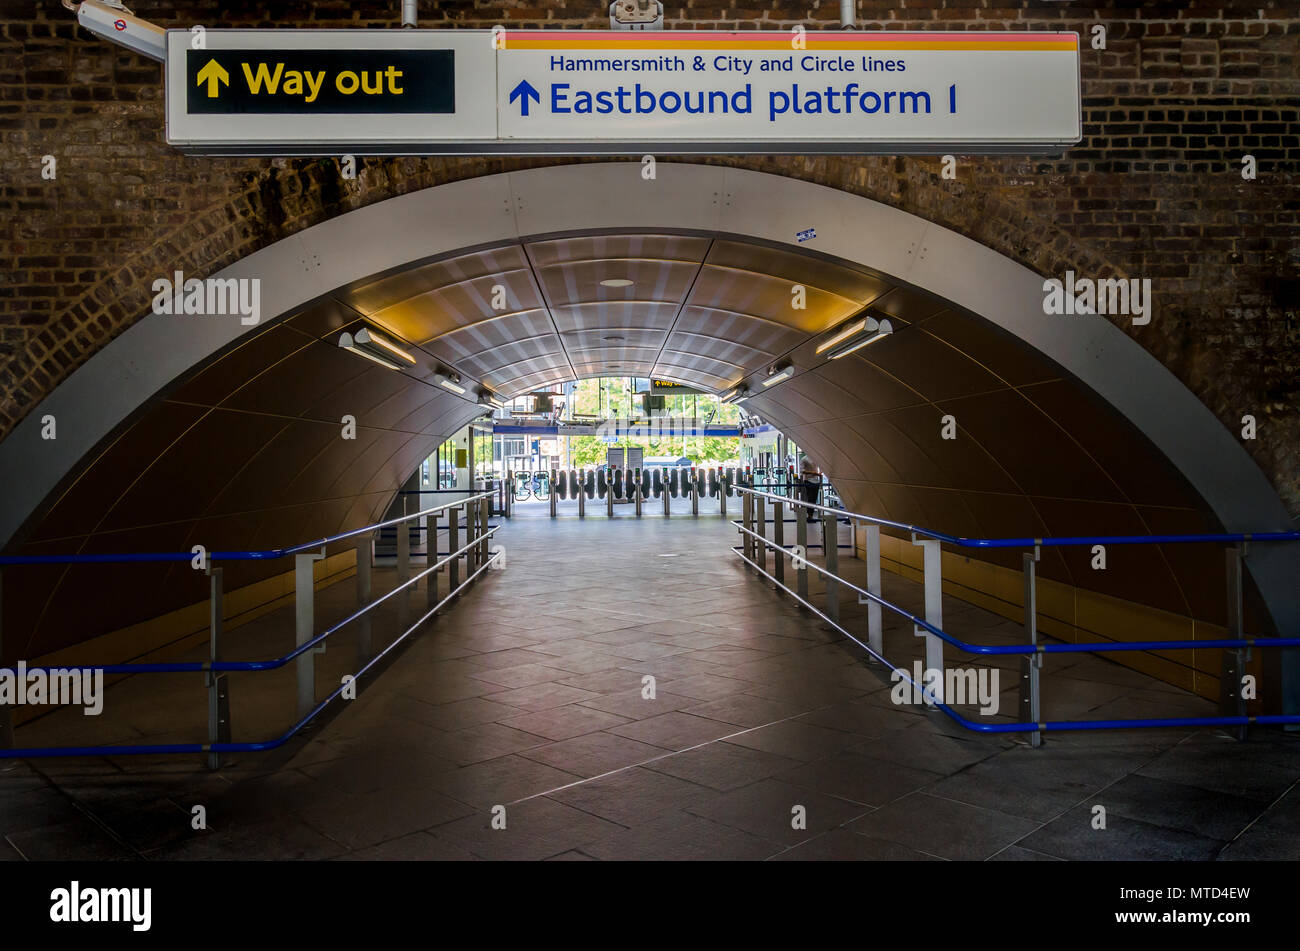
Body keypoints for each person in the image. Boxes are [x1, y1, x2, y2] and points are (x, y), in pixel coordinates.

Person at [799, 458, 821, 522]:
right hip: (808, 480)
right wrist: (812, 472)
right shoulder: (804, 459)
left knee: (814, 499)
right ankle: (810, 516)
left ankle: (810, 515)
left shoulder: (815, 457)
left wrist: (818, 473)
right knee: (810, 498)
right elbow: (802, 471)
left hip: (816, 480)